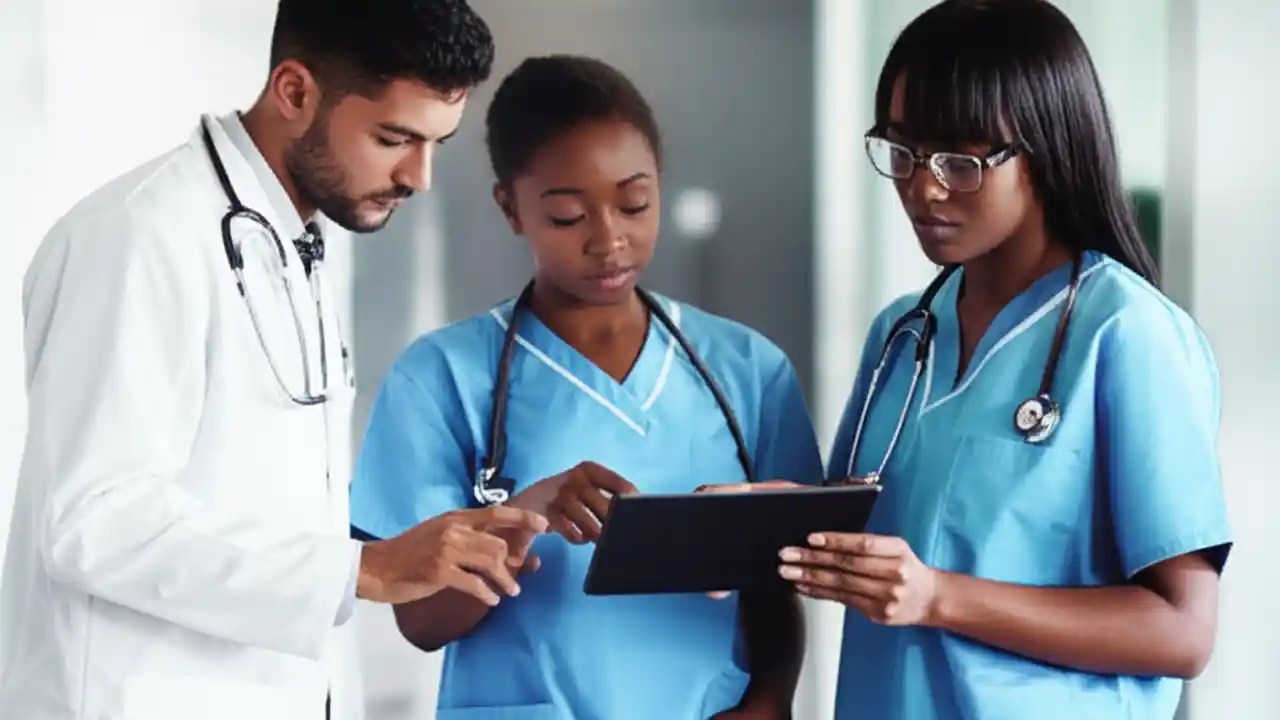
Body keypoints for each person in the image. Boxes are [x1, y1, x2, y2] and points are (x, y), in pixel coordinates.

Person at [0, 2, 549, 719]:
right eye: (394, 137)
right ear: (294, 92)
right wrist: (366, 569)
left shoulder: (295, 240)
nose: (419, 177)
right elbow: (92, 521)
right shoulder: (138, 237)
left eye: (436, 144)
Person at [765, 1, 1234, 718]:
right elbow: (871, 538)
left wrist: (940, 598)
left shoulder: (1128, 334)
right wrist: (757, 523)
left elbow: (1182, 630)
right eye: (902, 151)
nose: (923, 187)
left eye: (961, 159)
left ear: (1047, 146)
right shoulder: (904, 333)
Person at [348, 54, 824, 719]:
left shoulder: (749, 370)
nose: (610, 240)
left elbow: (778, 586)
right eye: (569, 216)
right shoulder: (442, 378)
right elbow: (422, 624)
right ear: (511, 209)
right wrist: (524, 519)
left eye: (635, 203)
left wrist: (770, 703)